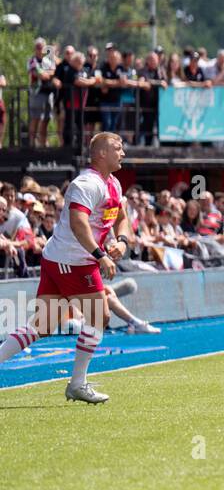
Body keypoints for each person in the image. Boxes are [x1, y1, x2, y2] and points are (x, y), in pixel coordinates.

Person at [0, 132, 131, 402]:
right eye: (118, 148)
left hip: (61, 259)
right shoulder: (86, 183)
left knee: (43, 325)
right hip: (74, 261)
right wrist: (100, 255)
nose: (123, 153)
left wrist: (122, 241)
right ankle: (77, 384)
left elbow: (122, 217)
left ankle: (76, 383)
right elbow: (78, 223)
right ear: (101, 154)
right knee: (99, 317)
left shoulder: (114, 184)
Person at [27, 38, 58, 147]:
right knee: (35, 118)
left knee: (46, 119)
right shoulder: (32, 60)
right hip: (37, 93)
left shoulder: (48, 60)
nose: (40, 50)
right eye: (38, 47)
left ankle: (43, 142)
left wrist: (48, 73)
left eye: (42, 47)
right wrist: (48, 73)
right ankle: (32, 143)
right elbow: (41, 75)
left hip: (48, 93)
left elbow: (53, 71)